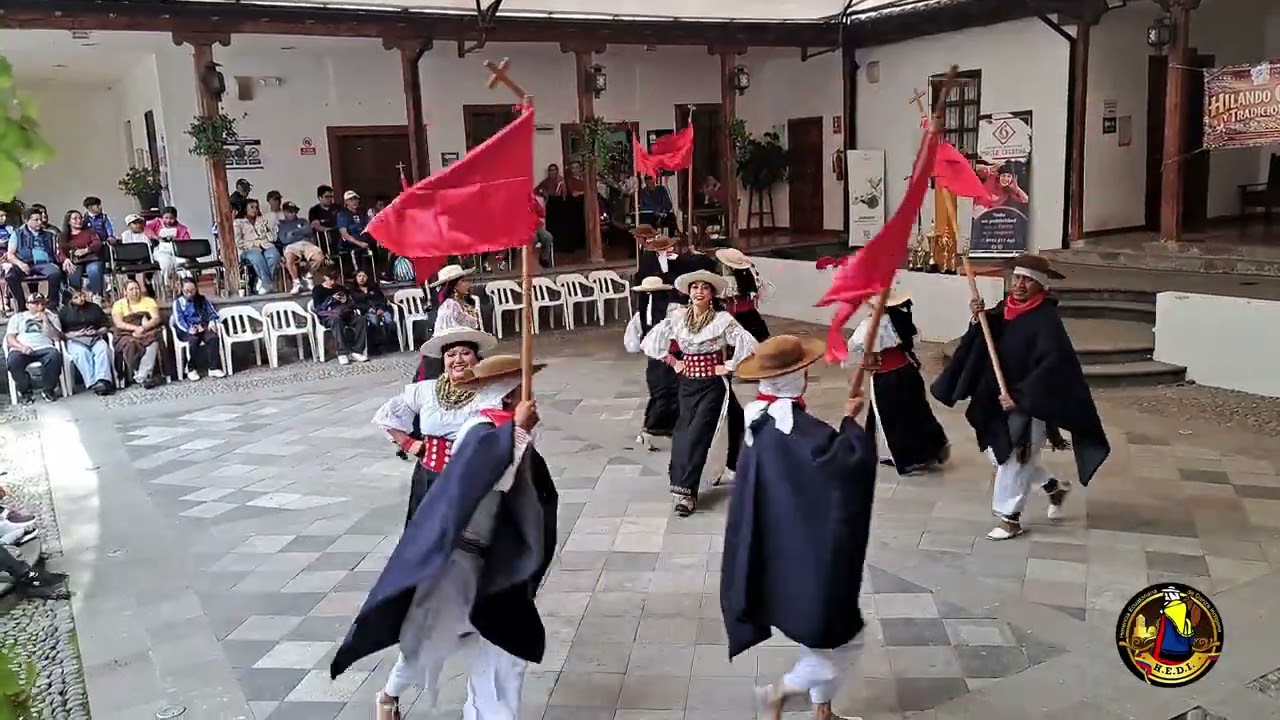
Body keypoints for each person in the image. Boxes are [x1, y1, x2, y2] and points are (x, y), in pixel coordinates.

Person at [332, 354, 558, 720]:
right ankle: (388, 696)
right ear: (500, 391)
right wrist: (516, 432)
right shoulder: (478, 429)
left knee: (504, 655)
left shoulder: (511, 428)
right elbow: (486, 478)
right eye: (517, 384)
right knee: (428, 643)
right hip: (461, 561)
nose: (523, 391)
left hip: (496, 561)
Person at [721, 334, 877, 720]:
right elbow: (844, 465)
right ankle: (781, 691)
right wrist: (851, 421)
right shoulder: (795, 428)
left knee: (818, 629)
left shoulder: (759, 420)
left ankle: (822, 711)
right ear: (798, 378)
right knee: (842, 636)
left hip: (780, 548)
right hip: (809, 550)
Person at [931, 254, 1110, 541]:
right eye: (1016, 278)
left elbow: (1053, 366)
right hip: (997, 396)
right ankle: (1053, 487)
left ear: (1040, 285)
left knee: (1014, 457)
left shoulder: (1046, 321)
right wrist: (980, 316)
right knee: (996, 452)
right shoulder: (1006, 309)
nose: (1019, 284)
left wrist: (1021, 397)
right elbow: (990, 335)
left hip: (1029, 403)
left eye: (1027, 280)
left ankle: (1009, 518)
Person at [641, 270, 757, 517]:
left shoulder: (722, 320)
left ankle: (687, 493)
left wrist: (728, 365)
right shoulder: (678, 318)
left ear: (712, 294)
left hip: (713, 386)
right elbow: (652, 342)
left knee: (698, 433)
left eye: (705, 288)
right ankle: (727, 470)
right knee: (687, 433)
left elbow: (748, 345)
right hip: (687, 386)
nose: (699, 291)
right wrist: (673, 362)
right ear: (689, 292)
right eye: (695, 287)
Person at [373, 325, 498, 525]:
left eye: (466, 353)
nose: (458, 360)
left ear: (476, 359)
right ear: (444, 361)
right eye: (451, 355)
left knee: (470, 545)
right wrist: (408, 443)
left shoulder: (492, 393)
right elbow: (386, 416)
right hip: (431, 479)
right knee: (428, 542)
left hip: (476, 480)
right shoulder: (426, 390)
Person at [846, 293, 950, 474]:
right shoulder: (898, 319)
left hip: (887, 378)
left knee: (894, 420)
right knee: (915, 412)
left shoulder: (871, 326)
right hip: (907, 372)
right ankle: (929, 451)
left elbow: (854, 345)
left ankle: (908, 459)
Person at [624, 276, 679, 446]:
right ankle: (652, 428)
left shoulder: (675, 311)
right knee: (660, 391)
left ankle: (665, 427)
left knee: (672, 391)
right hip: (656, 360)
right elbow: (631, 342)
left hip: (673, 357)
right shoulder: (641, 315)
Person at [417, 264, 480, 381]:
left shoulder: (459, 303)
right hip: (447, 354)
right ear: (455, 285)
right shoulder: (449, 306)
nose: (468, 284)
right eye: (463, 281)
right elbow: (449, 335)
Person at [4, 293, 62, 404]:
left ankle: (48, 390)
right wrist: (21, 347)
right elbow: (10, 338)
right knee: (13, 361)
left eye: (43, 303)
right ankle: (25, 391)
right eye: (36, 303)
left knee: (55, 356)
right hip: (22, 348)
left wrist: (46, 321)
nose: (40, 306)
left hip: (45, 347)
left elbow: (57, 338)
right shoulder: (18, 317)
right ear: (28, 305)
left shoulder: (52, 317)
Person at [5, 208, 64, 311]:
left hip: (45, 264)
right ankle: (21, 306)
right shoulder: (18, 234)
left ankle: (51, 305)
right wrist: (20, 264)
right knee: (10, 276)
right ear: (26, 221)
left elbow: (57, 252)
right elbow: (10, 255)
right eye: (36, 220)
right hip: (24, 262)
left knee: (56, 273)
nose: (40, 222)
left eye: (40, 219)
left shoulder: (49, 234)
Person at [58, 289, 115, 395]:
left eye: (82, 296)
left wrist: (97, 331)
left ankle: (103, 380)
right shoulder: (64, 312)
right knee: (82, 353)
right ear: (69, 300)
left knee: (102, 349)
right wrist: (75, 334)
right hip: (75, 340)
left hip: (95, 337)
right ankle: (93, 382)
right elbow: (60, 334)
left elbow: (106, 326)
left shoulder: (94, 308)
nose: (81, 299)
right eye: (76, 297)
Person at [111, 279, 164, 388]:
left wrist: (143, 328)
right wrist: (135, 329)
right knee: (130, 344)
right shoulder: (119, 304)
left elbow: (156, 319)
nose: (135, 291)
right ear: (124, 291)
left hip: (146, 330)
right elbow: (119, 323)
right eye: (131, 289)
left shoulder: (149, 301)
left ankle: (142, 375)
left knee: (153, 342)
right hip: (126, 333)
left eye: (137, 288)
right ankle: (139, 375)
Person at [172, 277, 226, 381]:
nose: (190, 294)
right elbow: (179, 320)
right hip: (187, 329)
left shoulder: (202, 300)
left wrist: (211, 322)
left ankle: (213, 367)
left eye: (192, 291)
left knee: (213, 337)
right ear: (182, 290)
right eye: (186, 291)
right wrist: (189, 329)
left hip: (202, 326)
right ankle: (191, 368)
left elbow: (213, 313)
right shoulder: (178, 303)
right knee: (194, 340)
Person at [312, 271, 368, 365]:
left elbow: (352, 303)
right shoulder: (318, 289)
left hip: (344, 314)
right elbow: (318, 308)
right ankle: (342, 353)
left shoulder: (341, 288)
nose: (333, 282)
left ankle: (357, 351)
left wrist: (345, 301)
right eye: (330, 279)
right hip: (329, 316)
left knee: (361, 320)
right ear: (325, 277)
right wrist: (331, 299)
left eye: (335, 279)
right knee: (336, 320)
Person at [715, 248, 770, 342]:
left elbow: (723, 296)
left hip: (734, 313)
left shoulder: (729, 280)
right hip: (749, 312)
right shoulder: (749, 273)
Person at [234, 198, 281, 295]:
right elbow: (237, 242)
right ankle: (267, 283)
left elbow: (272, 238)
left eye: (256, 207)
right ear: (245, 209)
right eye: (251, 207)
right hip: (247, 249)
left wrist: (267, 229)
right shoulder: (238, 223)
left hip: (265, 246)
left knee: (274, 255)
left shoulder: (262, 220)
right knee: (256, 257)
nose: (255, 210)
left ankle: (264, 281)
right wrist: (254, 244)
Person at [276, 202, 325, 294]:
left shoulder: (302, 221)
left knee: (319, 257)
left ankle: (308, 276)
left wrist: (293, 233)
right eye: (290, 212)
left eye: (295, 211)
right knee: (289, 258)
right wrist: (301, 232)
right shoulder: (281, 225)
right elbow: (284, 240)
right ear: (285, 212)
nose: (294, 214)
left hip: (306, 244)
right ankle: (297, 282)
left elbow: (309, 230)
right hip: (292, 245)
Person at [60, 209, 106, 300]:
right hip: (75, 261)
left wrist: (86, 250)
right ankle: (76, 299)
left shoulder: (90, 232)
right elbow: (60, 250)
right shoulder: (63, 236)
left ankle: (97, 297)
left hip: (92, 259)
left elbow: (97, 243)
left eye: (80, 218)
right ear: (69, 221)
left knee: (94, 270)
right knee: (72, 273)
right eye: (75, 219)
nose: (79, 220)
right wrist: (65, 259)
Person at [350, 270, 397, 354]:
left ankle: (390, 343)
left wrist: (381, 309)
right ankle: (375, 346)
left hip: (379, 309)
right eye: (359, 276)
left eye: (364, 276)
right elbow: (355, 304)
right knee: (374, 320)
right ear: (356, 278)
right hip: (366, 312)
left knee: (389, 320)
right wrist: (369, 309)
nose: (362, 278)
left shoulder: (374, 288)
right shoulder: (353, 291)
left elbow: (382, 299)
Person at [144, 206, 191, 292]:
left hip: (177, 251)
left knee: (183, 263)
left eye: (171, 218)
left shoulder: (181, 228)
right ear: (162, 217)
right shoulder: (157, 222)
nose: (168, 221)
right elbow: (146, 228)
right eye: (166, 218)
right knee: (165, 263)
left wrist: (177, 240)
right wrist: (155, 236)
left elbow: (187, 241)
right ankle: (166, 285)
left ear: (175, 218)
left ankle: (186, 284)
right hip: (161, 250)